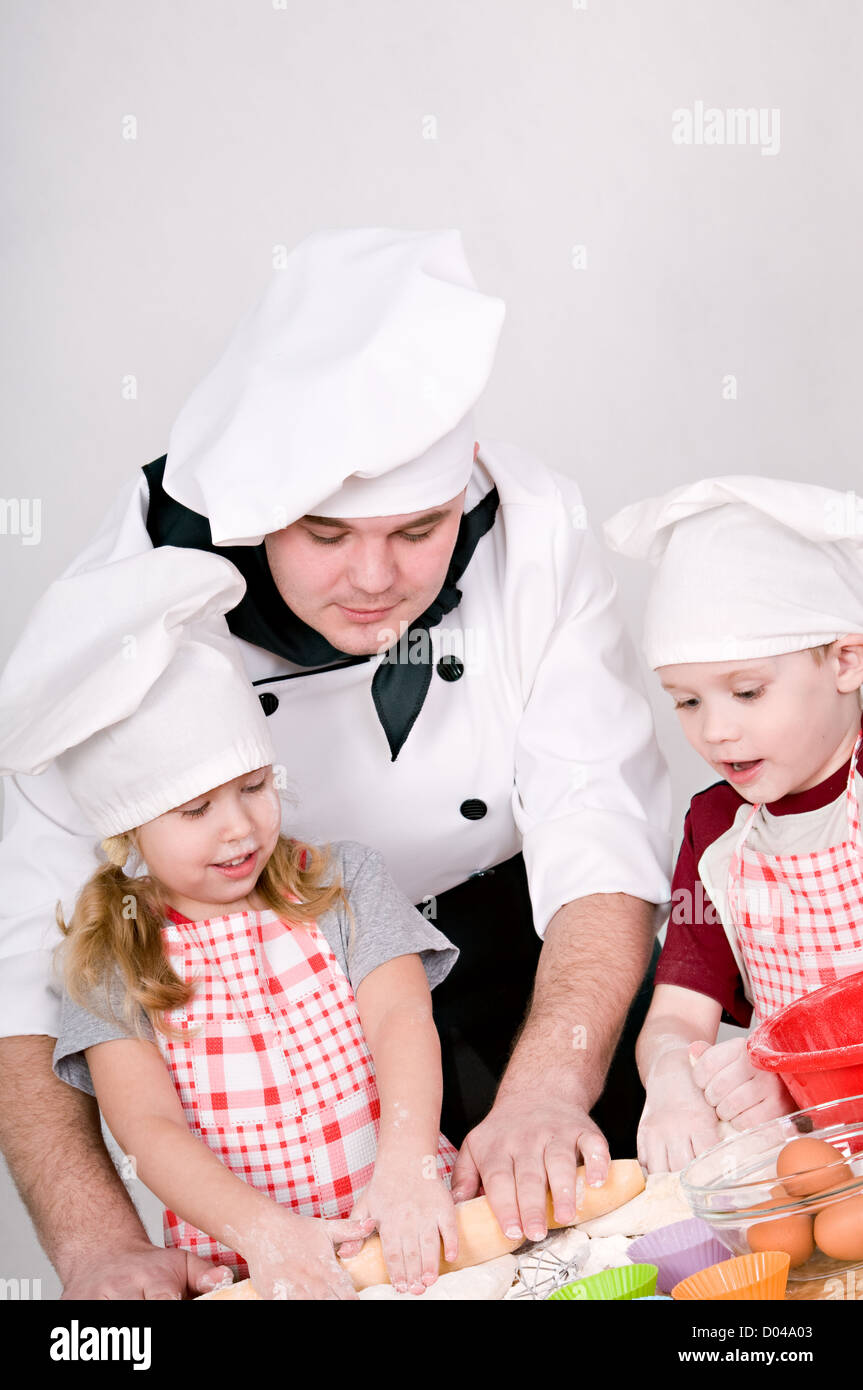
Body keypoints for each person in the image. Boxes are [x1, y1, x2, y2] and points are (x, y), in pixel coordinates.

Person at [0, 228, 672, 1298]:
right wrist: (95, 1240)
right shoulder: (113, 614)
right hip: (255, 1060)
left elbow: (598, 825)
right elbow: (31, 971)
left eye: (419, 529)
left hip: (518, 955)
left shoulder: (532, 524)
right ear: (260, 510)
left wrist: (550, 1081)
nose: (376, 579)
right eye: (323, 534)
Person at [0, 546, 461, 1299]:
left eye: (253, 786)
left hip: (412, 1218)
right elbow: (149, 1131)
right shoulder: (111, 959)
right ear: (128, 833)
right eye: (194, 811)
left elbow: (402, 1021)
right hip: (260, 1267)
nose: (240, 829)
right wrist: (268, 1236)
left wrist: (407, 1163)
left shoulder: (345, 881)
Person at [604, 476, 863, 1174]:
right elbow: (676, 1019)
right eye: (685, 701)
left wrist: (811, 1081)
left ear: (845, 660)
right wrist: (670, 1080)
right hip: (816, 1162)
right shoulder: (716, 827)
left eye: (746, 692)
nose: (714, 732)